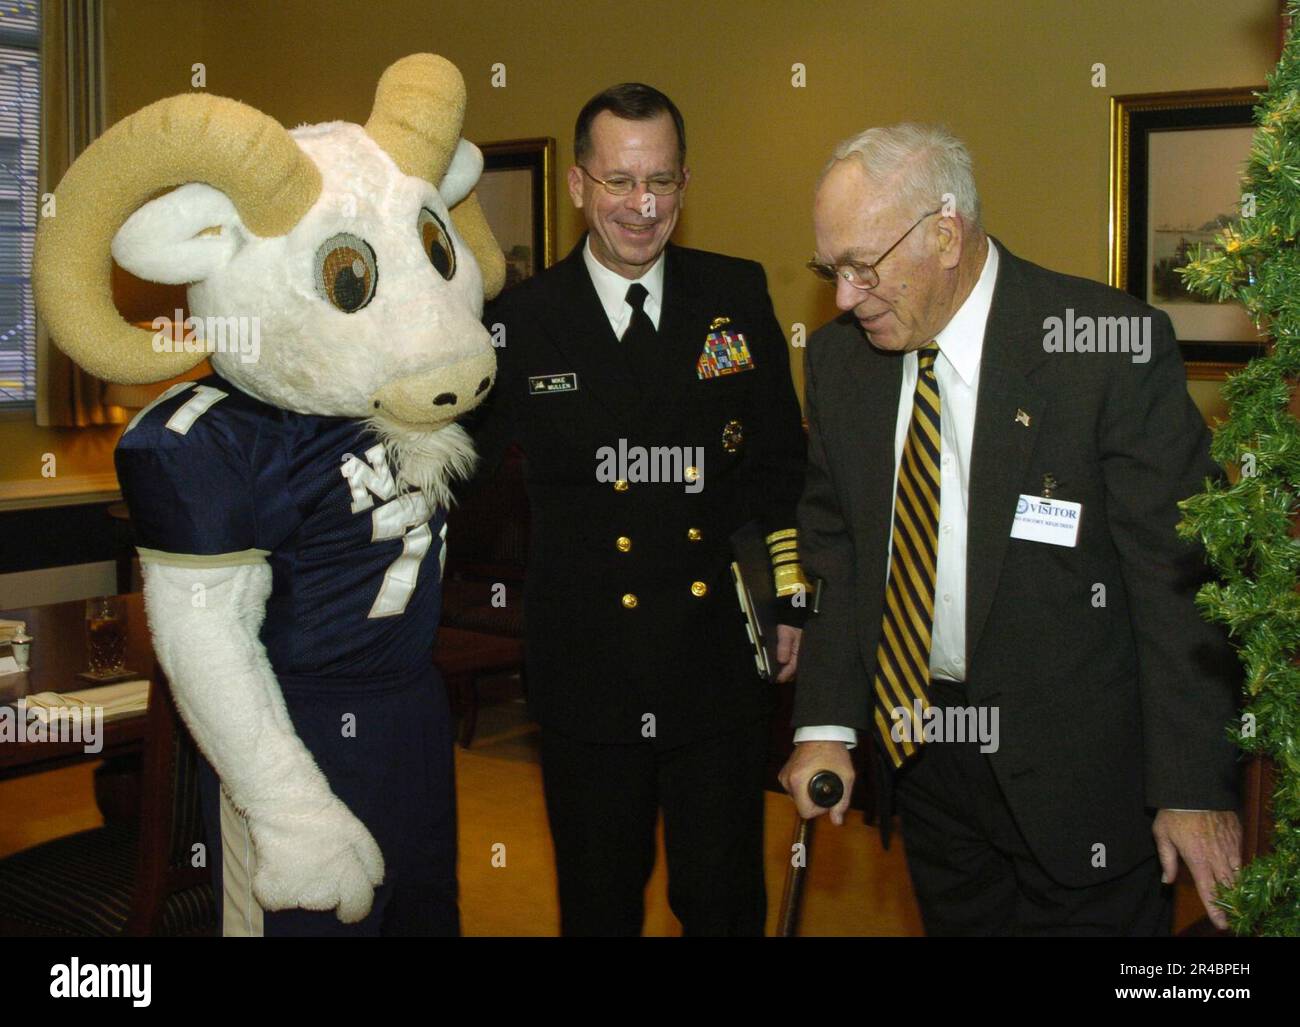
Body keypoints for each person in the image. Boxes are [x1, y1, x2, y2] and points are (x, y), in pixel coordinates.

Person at [779, 123, 1242, 936]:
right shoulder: (842, 365)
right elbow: (841, 553)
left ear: (945, 235)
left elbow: (1181, 579)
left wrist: (1194, 785)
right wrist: (825, 725)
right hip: (929, 767)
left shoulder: (1103, 349)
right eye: (831, 270)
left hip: (1085, 775)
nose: (844, 297)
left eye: (862, 266)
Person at [470, 83, 808, 936]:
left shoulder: (734, 293)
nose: (643, 205)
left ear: (685, 183)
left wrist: (788, 598)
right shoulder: (522, 318)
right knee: (599, 901)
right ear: (580, 185)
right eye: (620, 182)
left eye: (661, 180)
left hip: (716, 665)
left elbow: (778, 467)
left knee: (724, 899)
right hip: (589, 665)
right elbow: (459, 470)